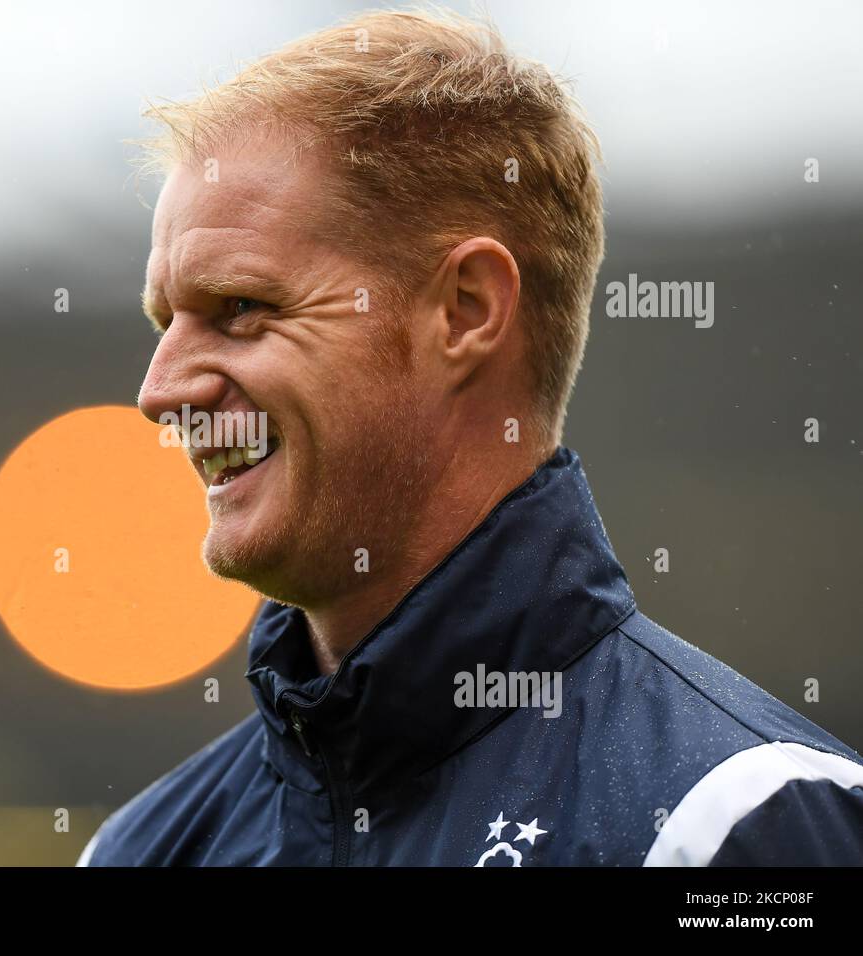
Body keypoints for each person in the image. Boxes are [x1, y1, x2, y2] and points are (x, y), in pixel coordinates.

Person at [79, 8, 863, 866]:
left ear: (466, 310)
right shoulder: (141, 851)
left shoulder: (740, 826)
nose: (159, 393)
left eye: (241, 309)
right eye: (165, 321)